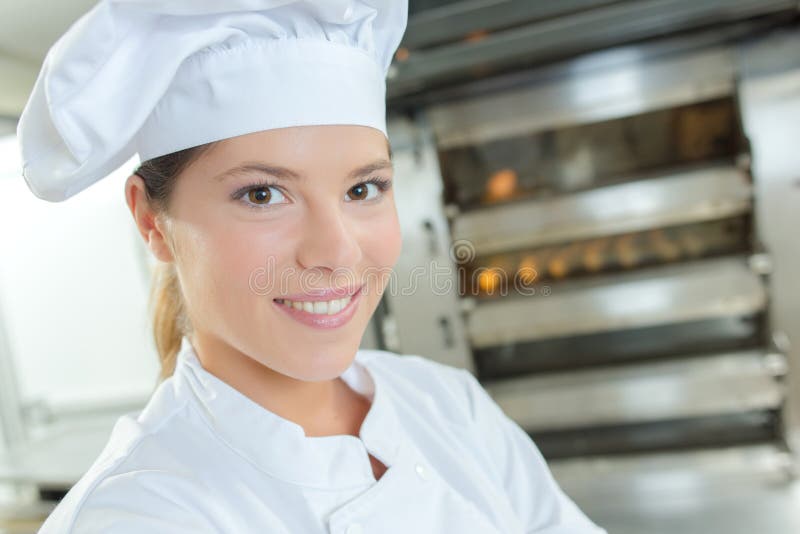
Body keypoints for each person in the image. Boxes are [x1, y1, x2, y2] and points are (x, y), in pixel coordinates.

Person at [17, 1, 606, 532]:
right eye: (263, 195)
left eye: (363, 188)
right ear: (152, 222)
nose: (336, 252)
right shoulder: (138, 515)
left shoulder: (447, 405)